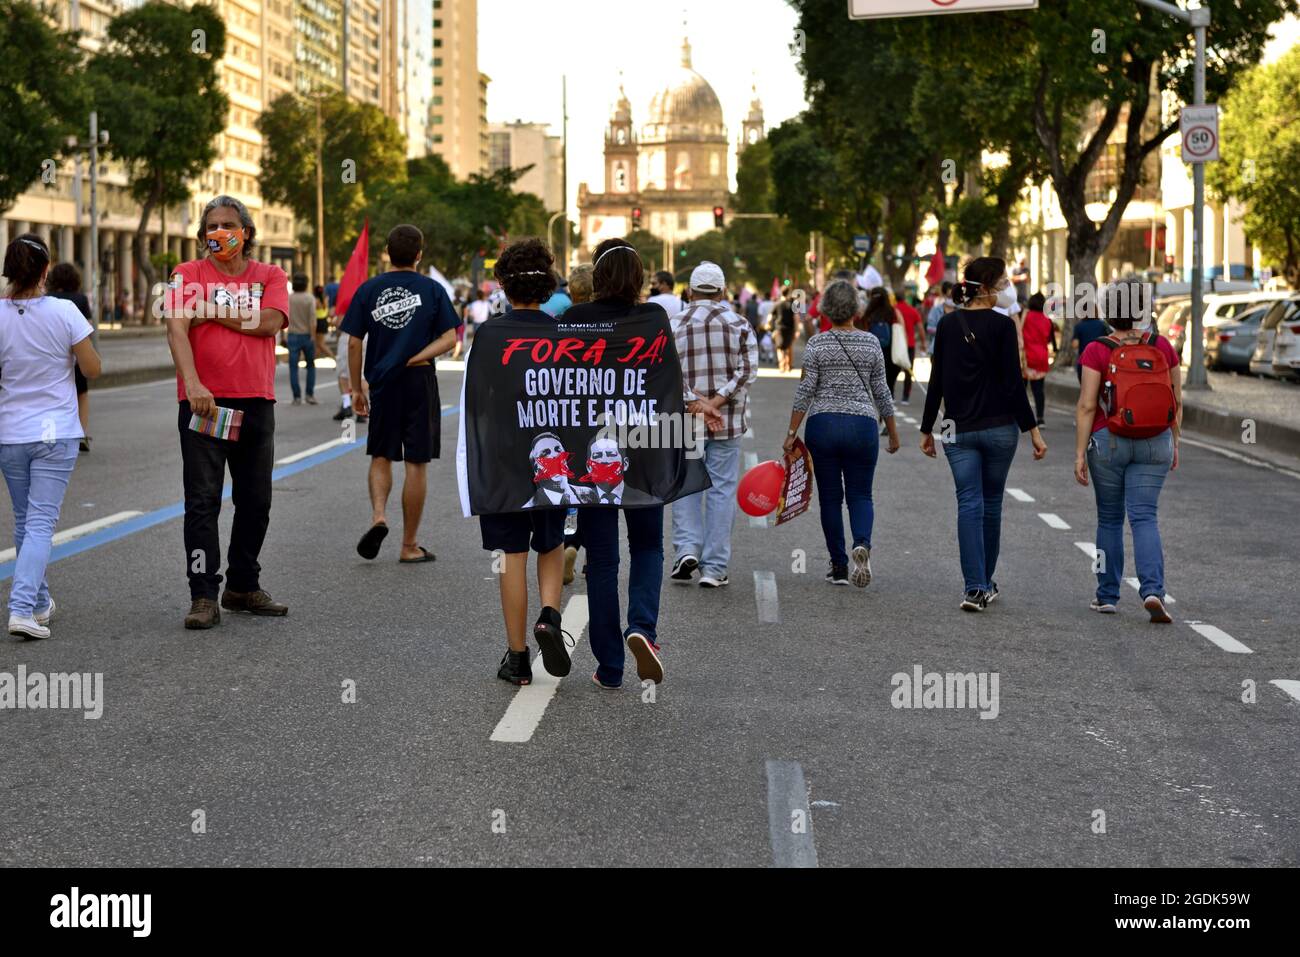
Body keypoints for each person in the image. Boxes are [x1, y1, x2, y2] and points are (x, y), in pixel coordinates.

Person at [164, 195, 291, 629]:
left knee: (256, 501)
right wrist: (193, 383)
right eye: (212, 226)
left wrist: (210, 310)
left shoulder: (270, 274)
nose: (220, 233)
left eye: (229, 225)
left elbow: (271, 322)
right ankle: (203, 595)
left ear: (247, 232)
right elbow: (176, 327)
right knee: (202, 503)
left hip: (256, 400)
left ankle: (241, 585)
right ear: (202, 236)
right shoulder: (186, 274)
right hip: (204, 403)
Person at [563, 238, 667, 688]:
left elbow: (558, 390)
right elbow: (666, 385)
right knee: (647, 547)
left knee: (602, 561)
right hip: (644, 449)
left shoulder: (573, 320)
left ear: (598, 277)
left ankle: (609, 667)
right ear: (639, 278)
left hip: (593, 455)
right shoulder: (654, 319)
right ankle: (642, 628)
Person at [920, 256, 1048, 612]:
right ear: (988, 286)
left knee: (968, 504)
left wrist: (927, 427)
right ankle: (984, 581)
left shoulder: (946, 325)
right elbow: (1013, 385)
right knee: (991, 506)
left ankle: (975, 587)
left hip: (957, 430)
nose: (1008, 287)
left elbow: (938, 381)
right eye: (1004, 280)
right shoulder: (1004, 327)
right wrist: (1033, 431)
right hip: (1000, 430)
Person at [473, 239, 570, 686]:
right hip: (551, 456)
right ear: (548, 284)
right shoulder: (563, 334)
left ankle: (517, 657)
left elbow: (479, 403)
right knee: (549, 543)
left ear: (503, 285)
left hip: (505, 457)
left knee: (510, 553)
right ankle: (550, 614)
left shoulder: (490, 334)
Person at [0, 234, 102, 638]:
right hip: (54, 431)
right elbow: (92, 369)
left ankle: (39, 602)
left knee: (26, 520)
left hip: (10, 433)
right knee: (41, 522)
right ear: (45, 271)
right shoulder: (63, 312)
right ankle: (22, 608)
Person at [344, 225, 460, 564]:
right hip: (418, 380)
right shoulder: (432, 289)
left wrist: (355, 388)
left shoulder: (369, 289)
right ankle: (409, 545)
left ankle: (379, 516)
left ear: (386, 252)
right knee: (416, 462)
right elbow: (451, 338)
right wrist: (419, 356)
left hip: (383, 382)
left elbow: (353, 342)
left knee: (381, 455)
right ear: (419, 254)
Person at [1074, 279, 1180, 623]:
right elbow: (1176, 401)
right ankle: (1153, 591)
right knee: (1145, 516)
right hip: (1156, 441)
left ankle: (1107, 595)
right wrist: (1174, 442)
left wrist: (1079, 453)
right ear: (1142, 310)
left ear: (1109, 311)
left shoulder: (1096, 349)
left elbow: (1087, 406)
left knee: (1109, 518)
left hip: (1109, 441)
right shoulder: (1162, 346)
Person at [782, 278, 900, 587]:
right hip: (863, 425)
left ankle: (839, 566)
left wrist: (792, 431)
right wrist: (893, 431)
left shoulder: (817, 343)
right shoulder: (871, 342)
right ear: (856, 309)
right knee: (861, 494)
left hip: (823, 425)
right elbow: (882, 392)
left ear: (825, 309)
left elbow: (805, 390)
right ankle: (861, 542)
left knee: (831, 499)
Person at [670, 261, 758, 589]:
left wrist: (695, 403)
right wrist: (716, 402)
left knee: (685, 486)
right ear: (722, 292)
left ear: (690, 292)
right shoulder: (740, 325)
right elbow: (747, 370)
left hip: (684, 419)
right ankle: (714, 566)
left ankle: (686, 550)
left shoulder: (673, 324)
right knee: (721, 490)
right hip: (727, 422)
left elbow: (664, 372)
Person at [561, 264, 596, 585]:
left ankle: (568, 542)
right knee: (596, 490)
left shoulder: (561, 326)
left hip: (567, 421)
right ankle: (588, 556)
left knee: (571, 488)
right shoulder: (608, 327)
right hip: (600, 423)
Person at [44, 262, 94, 452]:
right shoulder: (80, 299)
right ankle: (80, 434)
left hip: (51, 354)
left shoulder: (47, 298)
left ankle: (51, 433)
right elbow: (87, 329)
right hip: (74, 354)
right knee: (81, 394)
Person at [858, 288, 901, 400]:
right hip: (889, 352)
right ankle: (888, 402)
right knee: (888, 382)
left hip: (870, 352)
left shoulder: (868, 313)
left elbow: (862, 331)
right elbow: (900, 328)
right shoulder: (892, 311)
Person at [1021, 292, 1055, 426]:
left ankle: (1022, 417)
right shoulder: (1047, 320)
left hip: (1026, 358)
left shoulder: (1026, 316)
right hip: (1041, 357)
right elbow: (1049, 339)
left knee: (1022, 390)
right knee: (1038, 390)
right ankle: (1040, 418)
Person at [286, 272, 318, 405]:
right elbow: (313, 320)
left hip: (292, 335)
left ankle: (296, 396)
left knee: (293, 367)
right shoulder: (309, 298)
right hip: (307, 335)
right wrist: (313, 336)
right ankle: (309, 394)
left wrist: (283, 335)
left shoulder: (289, 298)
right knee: (310, 365)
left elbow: (284, 317)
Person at [894, 288, 927, 405]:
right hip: (909, 345)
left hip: (895, 345)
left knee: (893, 370)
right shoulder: (912, 311)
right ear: (905, 298)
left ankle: (891, 394)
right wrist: (923, 343)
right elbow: (920, 328)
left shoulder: (893, 310)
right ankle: (905, 397)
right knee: (909, 371)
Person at [1070, 310, 1111, 383]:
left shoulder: (1079, 326)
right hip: (1102, 361)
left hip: (1085, 361)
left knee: (1086, 387)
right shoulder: (1103, 325)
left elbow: (1075, 345)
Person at [770, 287, 797, 373]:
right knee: (789, 346)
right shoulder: (792, 304)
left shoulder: (777, 304)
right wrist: (797, 330)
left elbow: (770, 317)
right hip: (790, 328)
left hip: (779, 328)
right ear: (788, 293)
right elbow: (796, 318)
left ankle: (781, 366)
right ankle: (788, 365)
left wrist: (769, 326)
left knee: (779, 348)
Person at [313, 284, 334, 360]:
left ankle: (333, 357)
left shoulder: (316, 301)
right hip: (324, 321)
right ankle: (312, 360)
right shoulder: (326, 300)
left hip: (318, 322)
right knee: (318, 343)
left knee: (320, 344)